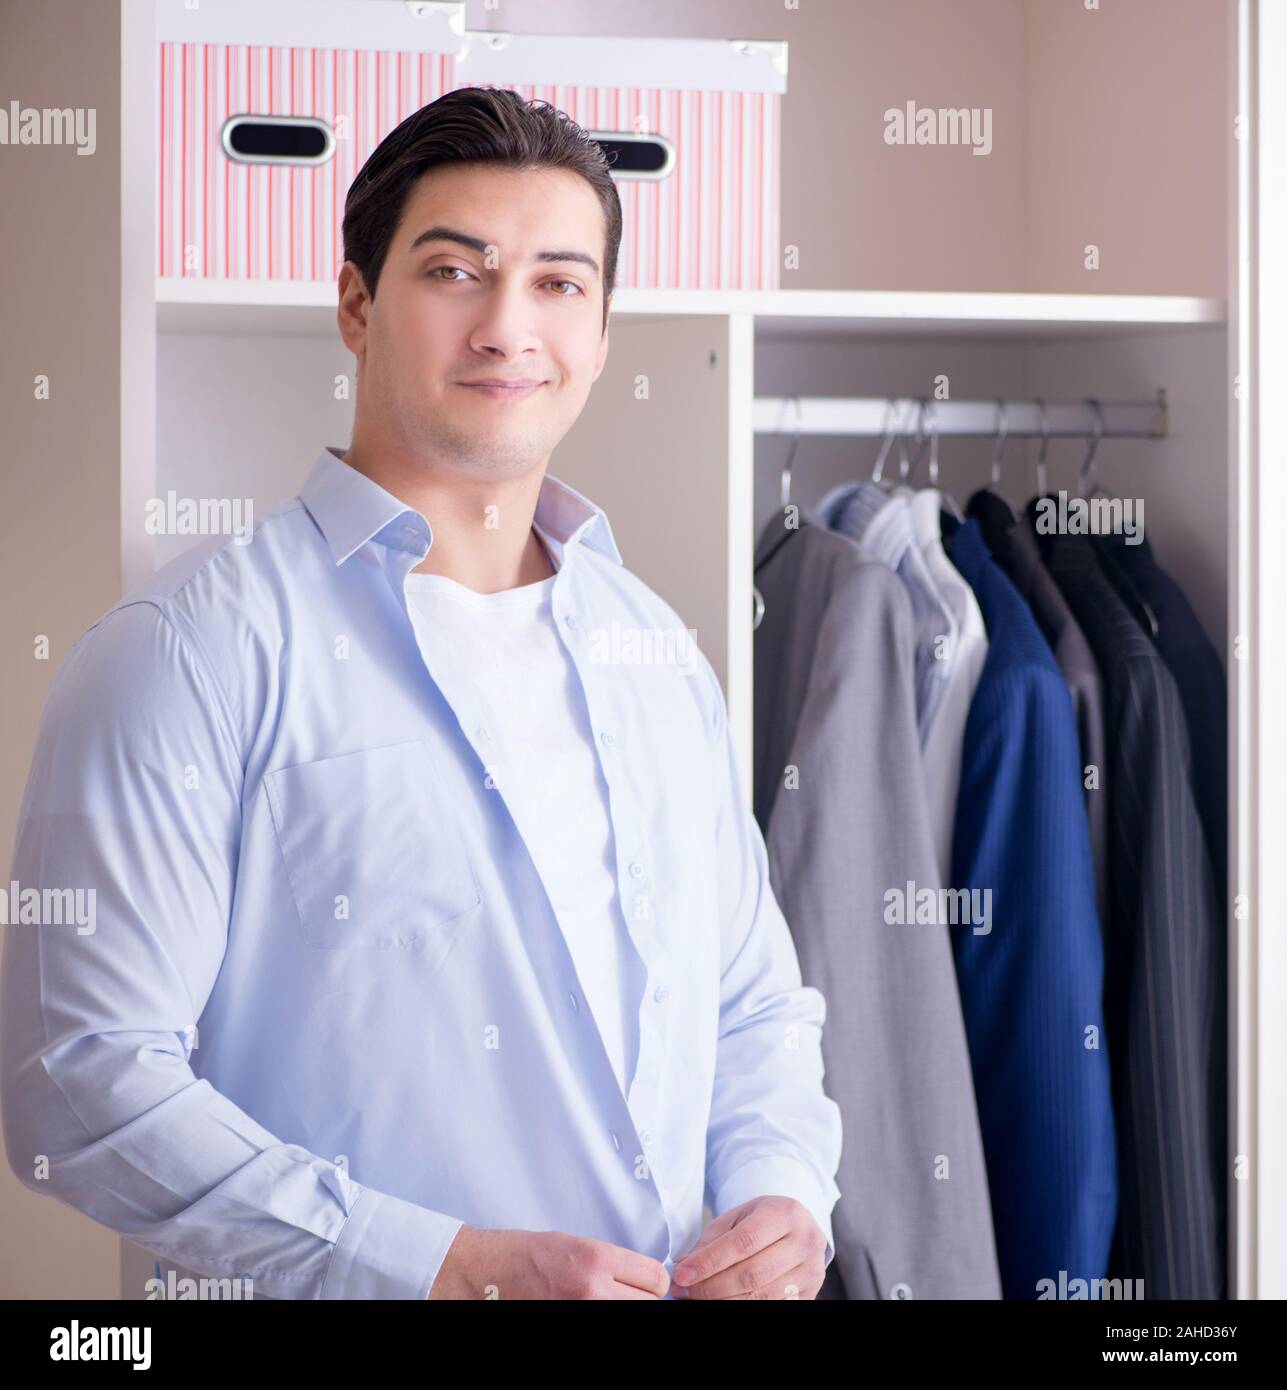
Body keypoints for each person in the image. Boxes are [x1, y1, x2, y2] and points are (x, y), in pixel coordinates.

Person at [0, 87, 841, 1301]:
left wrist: (782, 1193)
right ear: (356, 304)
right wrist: (438, 1267)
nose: (509, 327)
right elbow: (76, 1081)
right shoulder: (185, 651)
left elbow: (754, 1003)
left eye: (560, 283)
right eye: (456, 271)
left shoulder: (657, 652)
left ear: (602, 333)